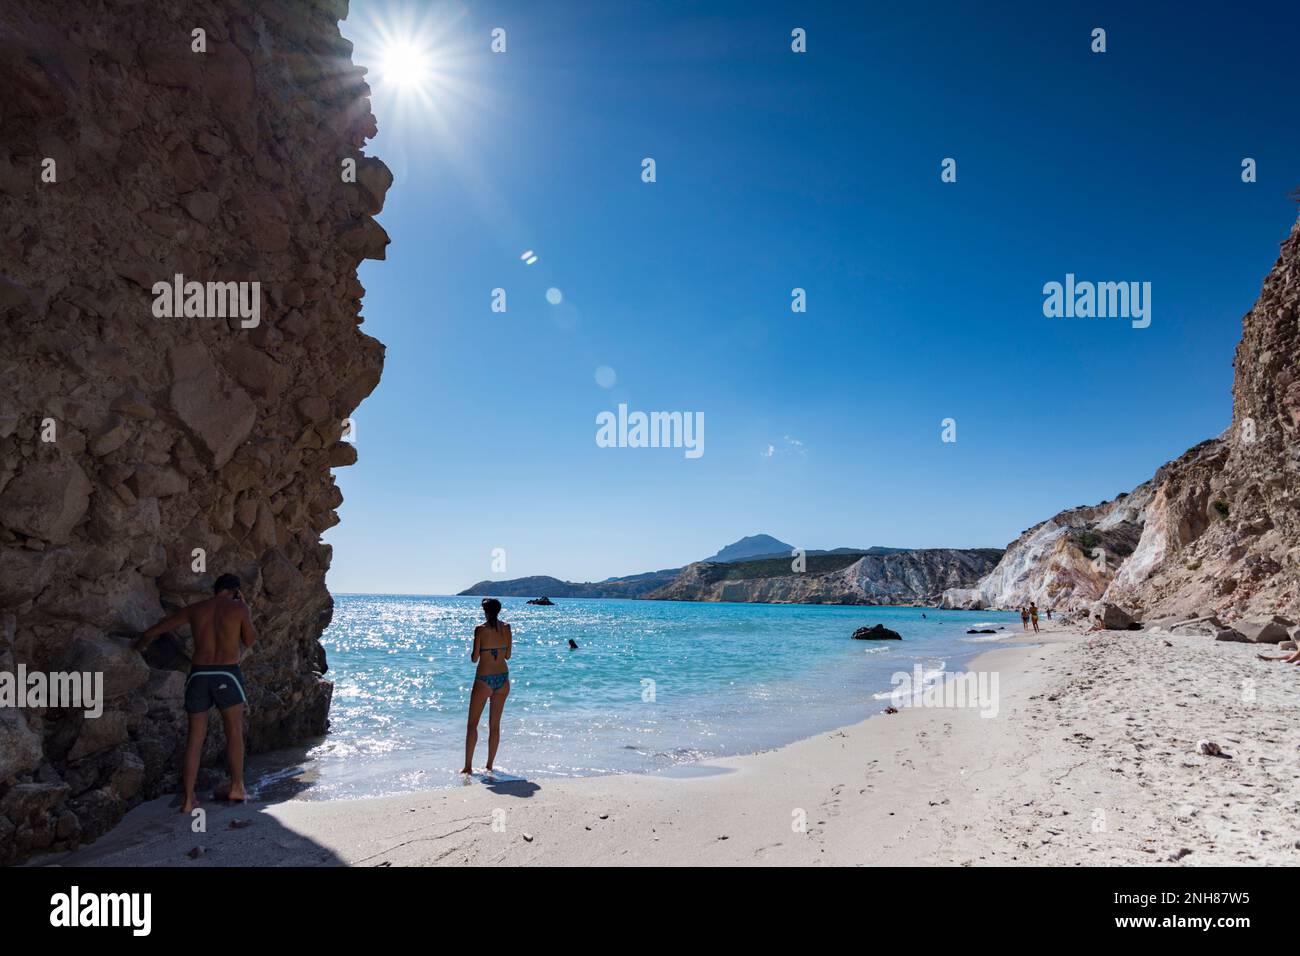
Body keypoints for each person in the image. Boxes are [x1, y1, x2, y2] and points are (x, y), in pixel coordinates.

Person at [133, 573, 256, 813]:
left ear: (215, 589)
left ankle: (188, 800)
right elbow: (250, 640)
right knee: (233, 733)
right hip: (227, 674)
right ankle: (237, 788)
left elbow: (157, 629)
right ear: (236, 591)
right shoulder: (238, 608)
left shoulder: (196, 608)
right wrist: (244, 607)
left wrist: (139, 645)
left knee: (195, 739)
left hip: (199, 675)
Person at [462, 598, 512, 775]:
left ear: (485, 611)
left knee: (472, 726)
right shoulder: (507, 628)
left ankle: (468, 767)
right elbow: (508, 656)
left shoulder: (480, 630)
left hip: (484, 679)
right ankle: (489, 765)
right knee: (495, 726)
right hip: (503, 678)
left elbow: (474, 658)